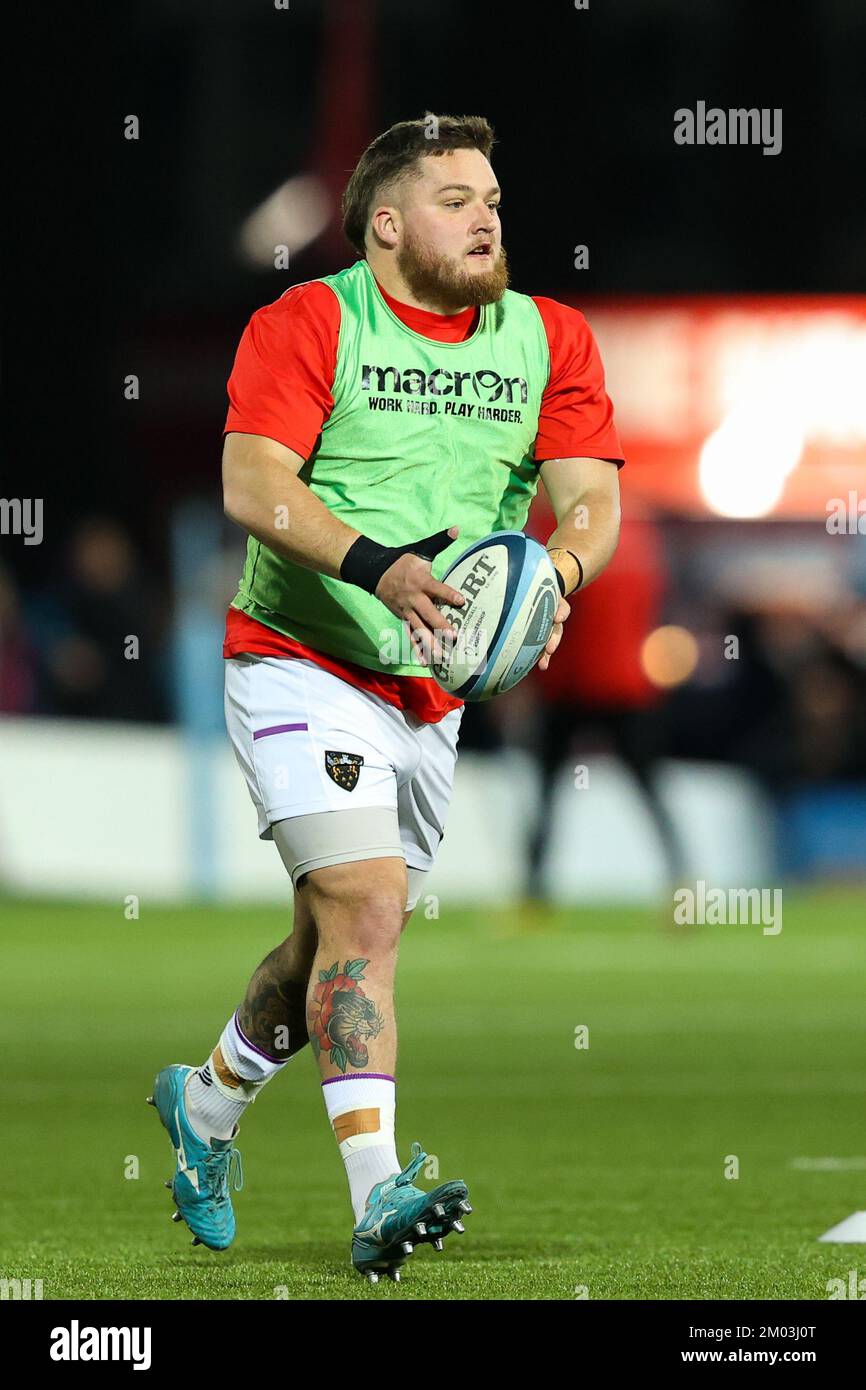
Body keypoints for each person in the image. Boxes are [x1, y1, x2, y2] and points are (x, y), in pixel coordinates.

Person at [149, 113, 623, 1283]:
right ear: (387, 224)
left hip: (431, 693)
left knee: (332, 935)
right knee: (364, 904)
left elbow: (588, 507)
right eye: (458, 199)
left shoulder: (548, 337)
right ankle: (380, 1195)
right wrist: (377, 565)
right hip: (298, 657)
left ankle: (203, 1106)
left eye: (495, 200)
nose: (487, 218)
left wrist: (550, 577)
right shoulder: (311, 319)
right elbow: (251, 486)